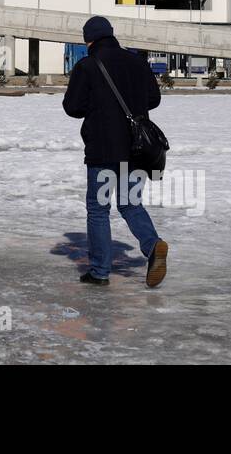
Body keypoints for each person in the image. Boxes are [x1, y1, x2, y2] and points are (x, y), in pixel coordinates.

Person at [63, 15, 168, 288]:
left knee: (98, 210)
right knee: (130, 203)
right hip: (136, 150)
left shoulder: (87, 66)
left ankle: (99, 271)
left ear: (88, 40)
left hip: (102, 151)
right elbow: (153, 99)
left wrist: (98, 106)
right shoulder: (137, 62)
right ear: (112, 34)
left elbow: (72, 107)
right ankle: (153, 244)